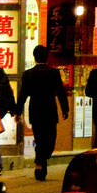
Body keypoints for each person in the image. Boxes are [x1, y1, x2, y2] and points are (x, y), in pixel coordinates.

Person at [18, 45, 68, 181]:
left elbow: (23, 94)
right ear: (47, 57)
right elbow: (61, 93)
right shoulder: (54, 73)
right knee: (50, 138)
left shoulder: (28, 74)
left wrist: (17, 111)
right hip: (50, 110)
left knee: (39, 138)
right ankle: (41, 162)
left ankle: (40, 160)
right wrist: (65, 109)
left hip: (35, 110)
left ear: (35, 57)